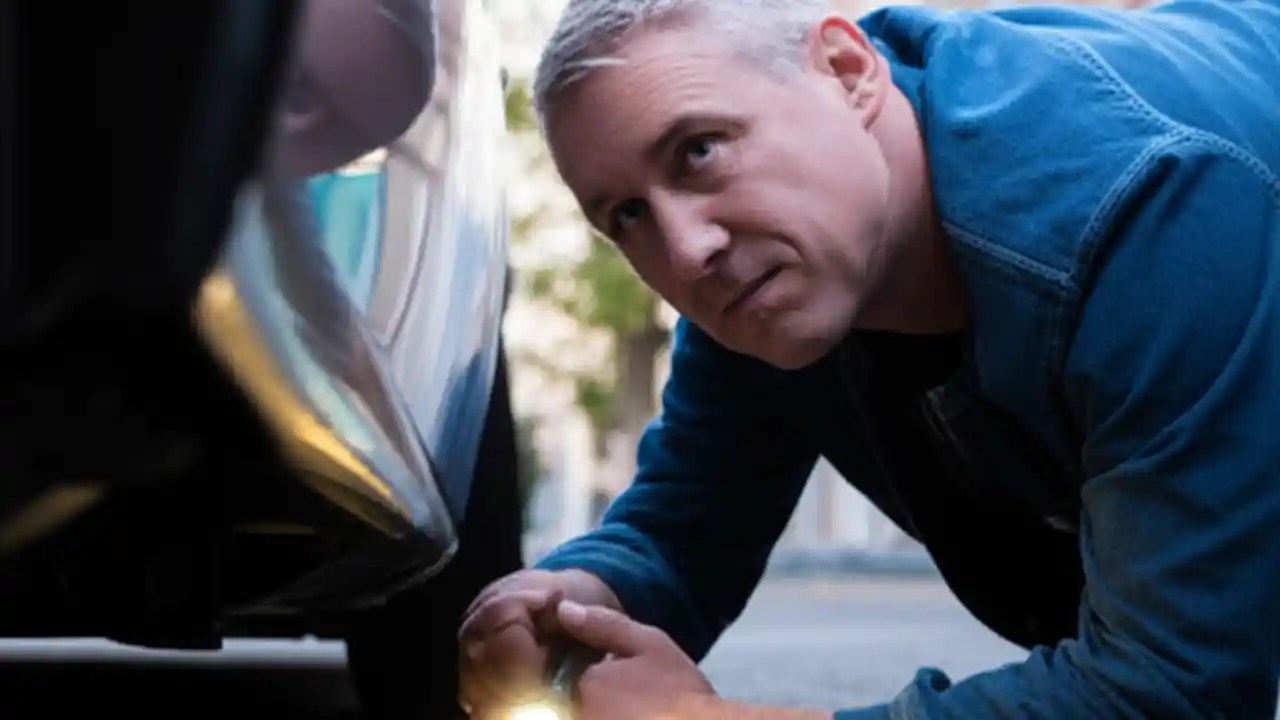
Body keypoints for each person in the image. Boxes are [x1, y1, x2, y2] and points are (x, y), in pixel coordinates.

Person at [459, 0, 1280, 716]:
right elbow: (689, 526)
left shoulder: (1142, 211)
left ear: (849, 69)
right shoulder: (768, 273)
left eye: (700, 151)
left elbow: (1178, 690)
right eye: (627, 214)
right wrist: (574, 600)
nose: (686, 248)